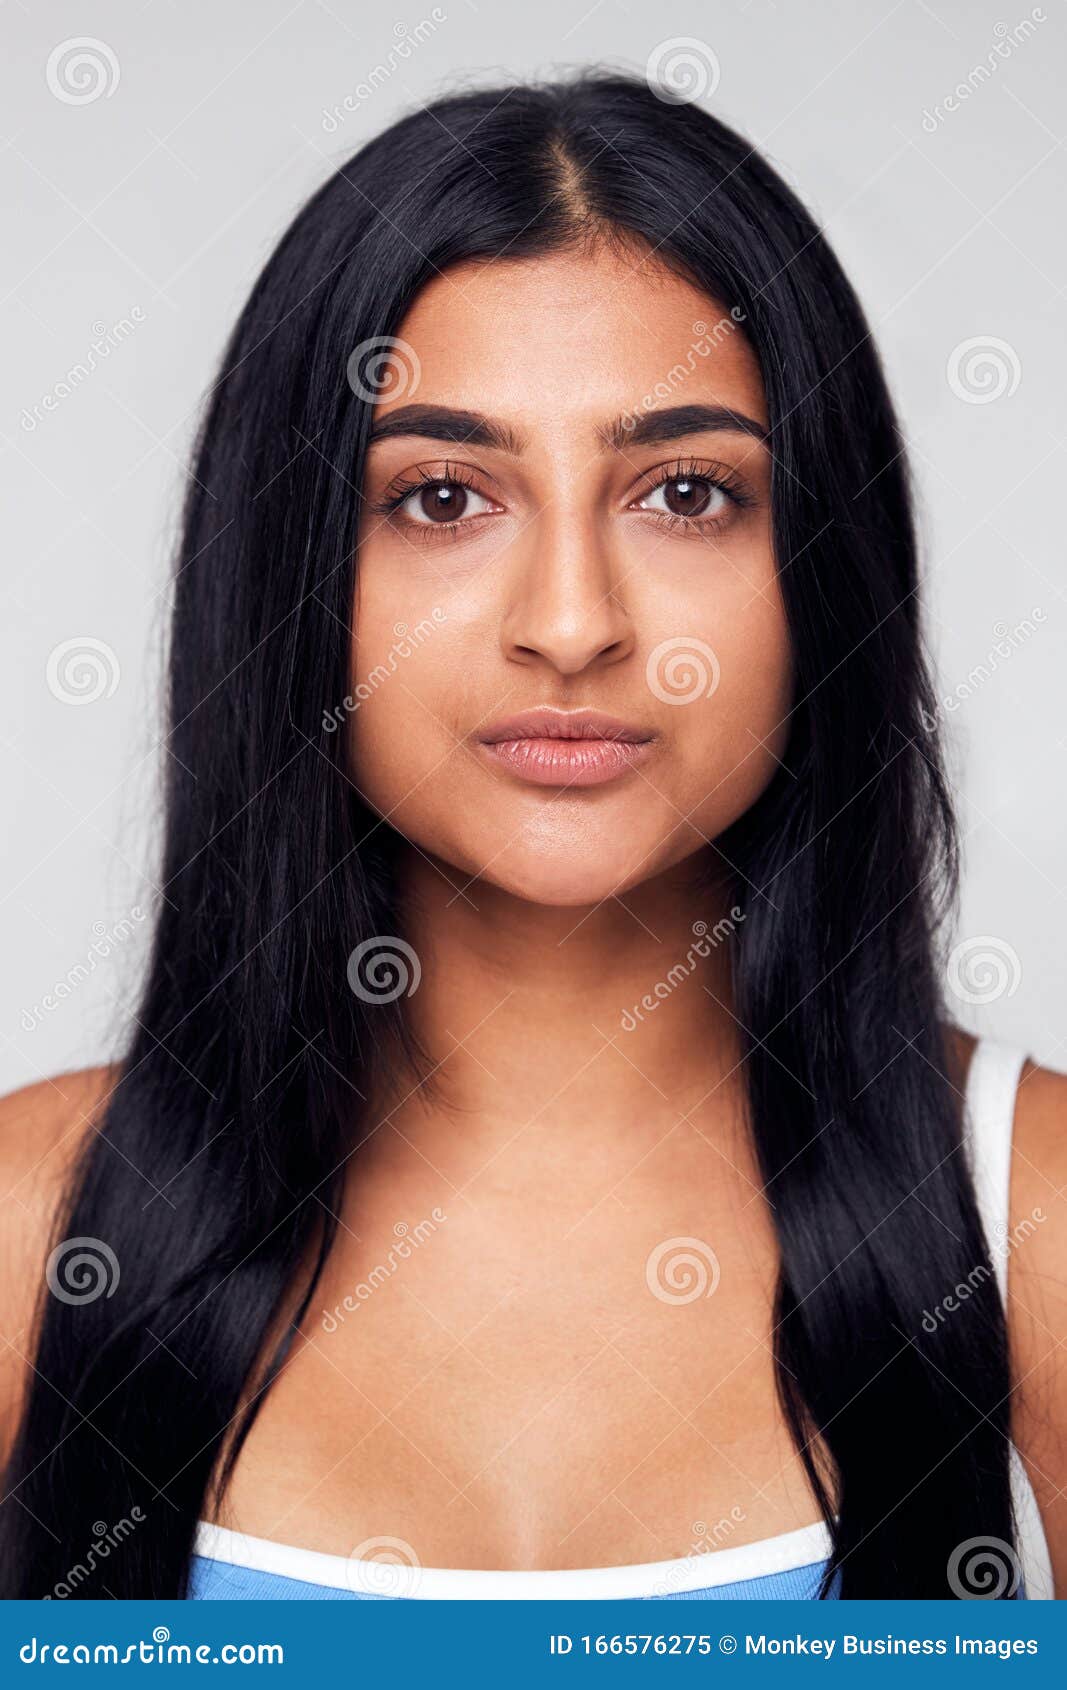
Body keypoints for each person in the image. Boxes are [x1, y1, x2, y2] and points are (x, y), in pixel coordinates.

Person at [2, 72, 1064, 1602]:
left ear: (825, 565)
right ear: (292, 569)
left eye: (688, 491)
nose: (571, 623)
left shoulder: (1038, 1229)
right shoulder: (32, 1234)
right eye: (441, 496)